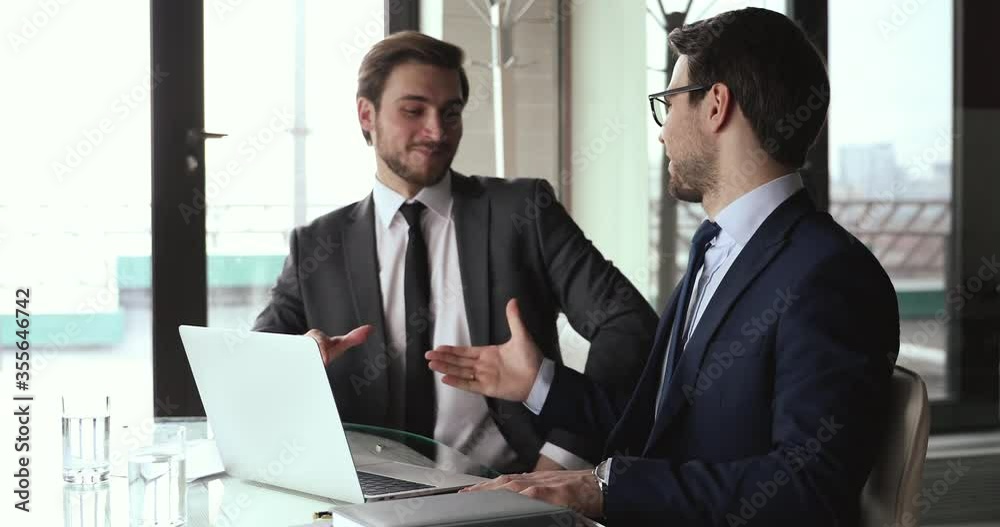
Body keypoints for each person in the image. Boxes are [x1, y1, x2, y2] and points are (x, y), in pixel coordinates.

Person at [426, 8, 900, 524]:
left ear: (716, 105)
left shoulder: (831, 275)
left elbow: (809, 488)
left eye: (668, 104)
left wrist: (599, 490)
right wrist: (537, 383)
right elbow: (656, 423)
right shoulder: (714, 247)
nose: (662, 133)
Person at [253, 31, 657, 473]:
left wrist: (561, 457)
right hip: (366, 495)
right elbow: (246, 370)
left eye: (451, 113)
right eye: (414, 111)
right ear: (366, 115)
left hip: (510, 491)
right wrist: (295, 364)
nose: (436, 131)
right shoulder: (317, 245)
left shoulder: (524, 212)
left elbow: (630, 323)